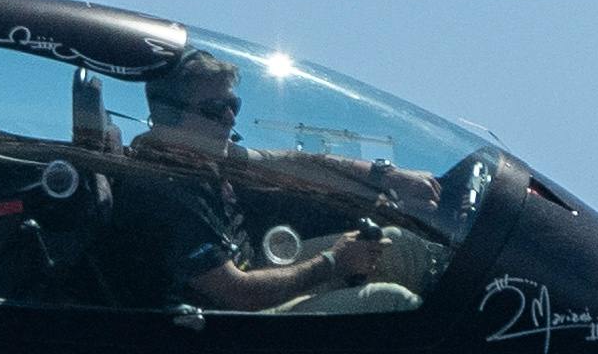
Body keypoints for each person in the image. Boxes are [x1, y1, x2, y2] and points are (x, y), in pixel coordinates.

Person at [100, 49, 395, 312]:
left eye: (233, 105)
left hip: (252, 275)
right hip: (230, 324)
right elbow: (238, 294)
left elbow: (288, 161)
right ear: (168, 114)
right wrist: (334, 261)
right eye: (215, 108)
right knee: (390, 300)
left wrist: (385, 176)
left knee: (398, 245)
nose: (230, 118)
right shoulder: (161, 188)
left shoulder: (202, 157)